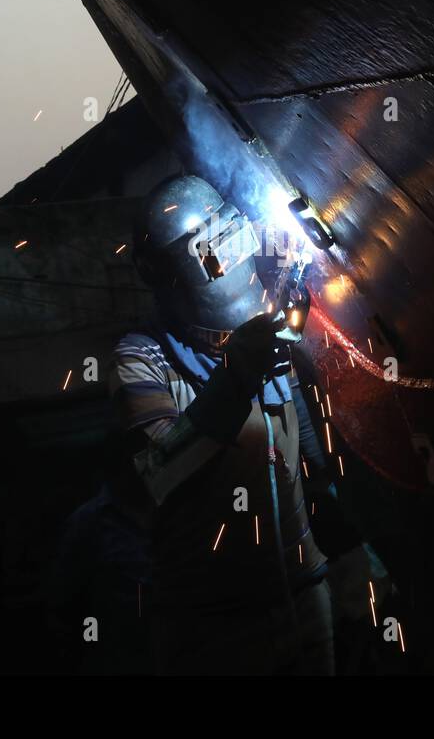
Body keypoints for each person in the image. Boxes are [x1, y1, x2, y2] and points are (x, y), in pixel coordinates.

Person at [108, 174, 334, 674]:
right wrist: (234, 379)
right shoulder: (142, 359)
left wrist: (357, 556)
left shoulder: (266, 338)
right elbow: (156, 475)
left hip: (304, 596)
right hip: (210, 625)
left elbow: (317, 461)